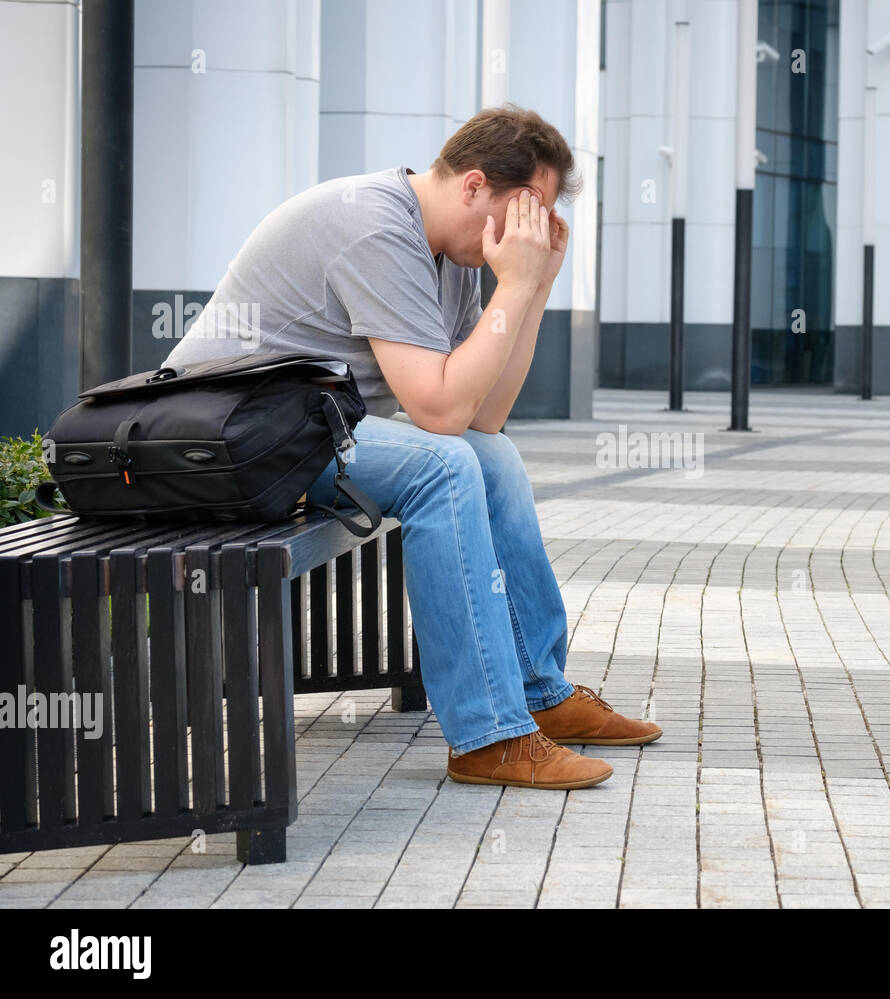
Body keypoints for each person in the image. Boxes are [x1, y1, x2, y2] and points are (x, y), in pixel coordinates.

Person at [164, 105, 661, 790]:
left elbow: (485, 417)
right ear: (473, 187)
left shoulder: (451, 251)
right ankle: (488, 735)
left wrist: (535, 286)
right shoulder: (374, 225)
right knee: (444, 468)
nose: (528, 234)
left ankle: (538, 689)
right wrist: (513, 284)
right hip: (229, 445)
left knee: (494, 459)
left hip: (298, 432)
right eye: (524, 213)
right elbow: (437, 410)